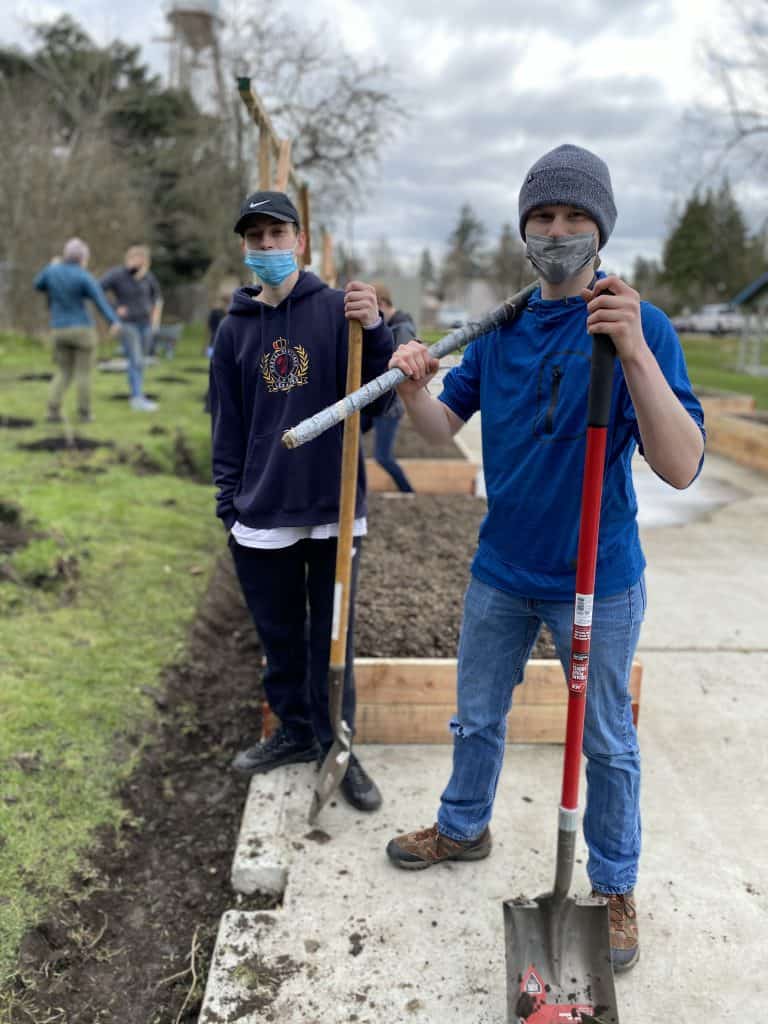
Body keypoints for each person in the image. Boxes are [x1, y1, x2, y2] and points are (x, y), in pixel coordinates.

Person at [384, 144, 705, 973]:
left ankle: (614, 885)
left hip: (597, 577)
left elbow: (680, 463)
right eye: (542, 216)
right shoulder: (502, 328)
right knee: (476, 715)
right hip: (502, 569)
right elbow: (439, 431)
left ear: (600, 227)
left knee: (606, 742)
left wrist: (633, 352)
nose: (557, 230)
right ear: (525, 228)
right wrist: (416, 382)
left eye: (573, 216)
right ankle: (463, 826)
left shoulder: (642, 324)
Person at [209, 189, 394, 812]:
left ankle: (337, 742)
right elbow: (228, 425)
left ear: (300, 241)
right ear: (244, 246)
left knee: (333, 637)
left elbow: (377, 404)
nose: (266, 247)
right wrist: (229, 505)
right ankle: (292, 730)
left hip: (333, 508)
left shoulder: (338, 311)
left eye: (276, 234)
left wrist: (377, 330)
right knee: (280, 634)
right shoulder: (234, 329)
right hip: (261, 511)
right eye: (254, 237)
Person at [33, 237, 122, 423]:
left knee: (63, 371)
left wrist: (50, 267)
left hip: (58, 330)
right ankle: (85, 413)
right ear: (83, 258)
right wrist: (113, 321)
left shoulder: (52, 271)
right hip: (82, 330)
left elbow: (38, 284)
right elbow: (100, 300)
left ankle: (53, 411)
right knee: (83, 373)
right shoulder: (83, 276)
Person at [359, 283, 416, 493]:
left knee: (383, 457)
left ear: (381, 303)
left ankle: (408, 491)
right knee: (348, 434)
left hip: (390, 406)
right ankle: (353, 485)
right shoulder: (391, 326)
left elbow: (403, 371)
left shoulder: (402, 329)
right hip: (374, 399)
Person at [100, 245, 162, 412]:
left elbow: (157, 298)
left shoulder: (148, 277)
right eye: (133, 258)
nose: (136, 262)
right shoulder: (117, 275)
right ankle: (136, 399)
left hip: (146, 325)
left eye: (140, 259)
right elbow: (98, 290)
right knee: (135, 360)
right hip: (127, 324)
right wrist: (114, 308)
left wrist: (155, 319)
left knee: (141, 361)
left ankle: (138, 394)